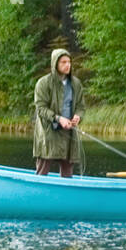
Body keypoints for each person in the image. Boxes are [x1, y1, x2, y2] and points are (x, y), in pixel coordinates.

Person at [33, 49, 83, 177]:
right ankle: (38, 192)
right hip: (49, 130)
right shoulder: (43, 83)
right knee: (43, 166)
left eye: (69, 62)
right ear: (55, 64)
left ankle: (66, 193)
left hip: (69, 131)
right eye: (63, 62)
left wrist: (78, 116)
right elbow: (41, 108)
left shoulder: (76, 84)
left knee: (67, 168)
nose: (68, 65)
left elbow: (80, 106)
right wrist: (58, 118)